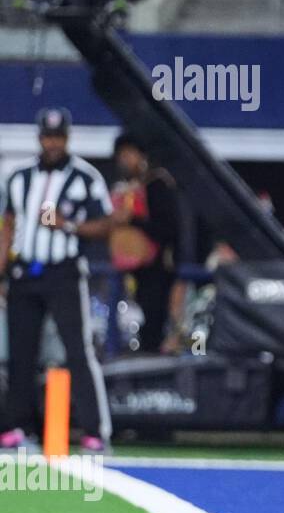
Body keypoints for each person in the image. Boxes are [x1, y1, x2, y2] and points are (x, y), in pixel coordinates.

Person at [0, 108, 113, 452]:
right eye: (48, 137)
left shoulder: (85, 177)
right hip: (24, 274)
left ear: (67, 138)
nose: (52, 143)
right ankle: (19, 428)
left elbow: (106, 223)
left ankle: (96, 431)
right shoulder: (18, 177)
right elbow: (8, 226)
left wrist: (67, 225)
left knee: (78, 351)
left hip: (63, 271)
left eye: (58, 137)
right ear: (39, 137)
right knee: (21, 353)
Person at [109, 133, 180, 354]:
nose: (125, 160)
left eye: (130, 154)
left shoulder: (157, 184)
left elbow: (167, 228)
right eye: (122, 155)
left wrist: (133, 220)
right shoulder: (123, 189)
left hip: (156, 271)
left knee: (154, 327)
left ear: (142, 156)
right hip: (129, 271)